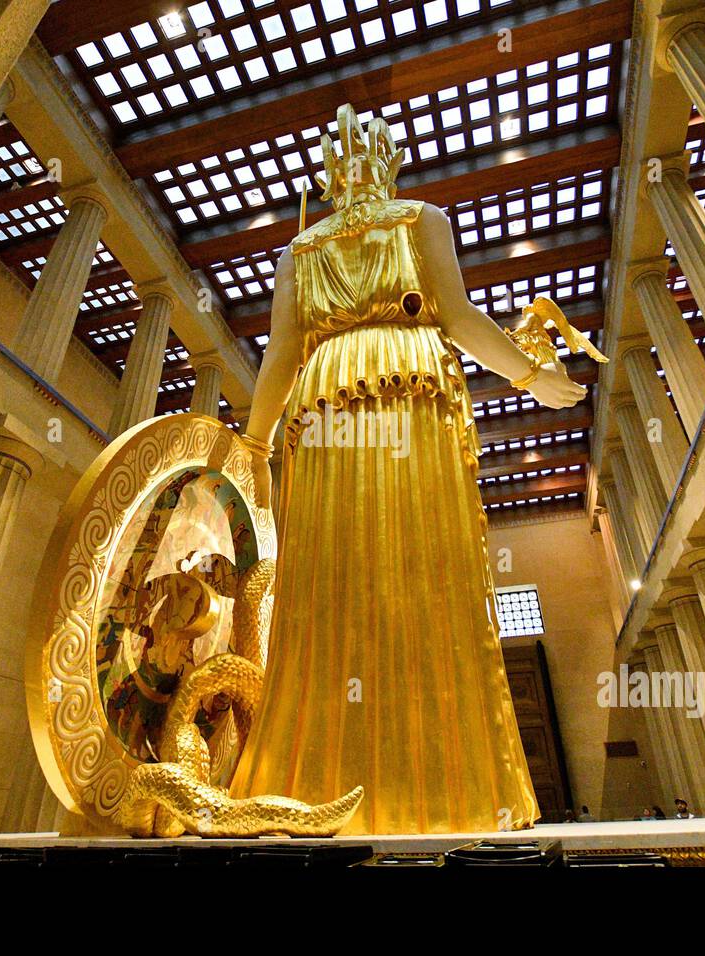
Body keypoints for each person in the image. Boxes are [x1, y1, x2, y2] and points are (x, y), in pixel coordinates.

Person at [230, 104, 586, 835]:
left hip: (329, 397)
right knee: (410, 569)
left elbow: (280, 358)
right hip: (405, 380)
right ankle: (443, 789)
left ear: (334, 177)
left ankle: (323, 778)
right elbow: (455, 317)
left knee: (350, 576)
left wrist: (257, 440)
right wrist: (528, 377)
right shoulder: (420, 217)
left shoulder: (302, 249)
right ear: (385, 163)